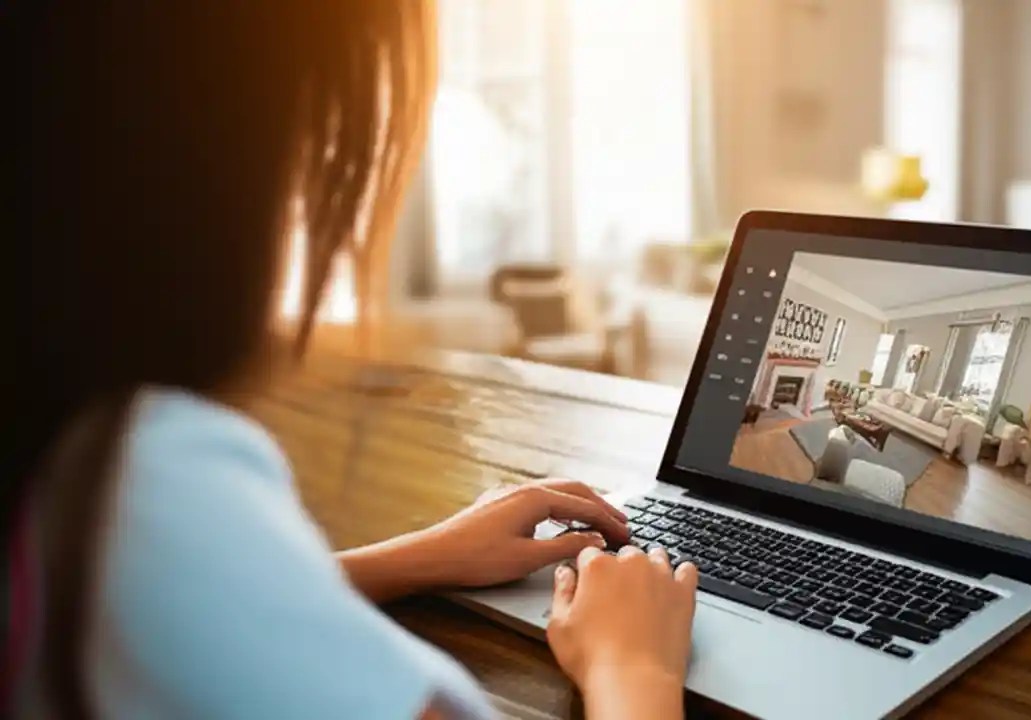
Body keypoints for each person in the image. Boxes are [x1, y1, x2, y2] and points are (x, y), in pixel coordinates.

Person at [9, 3, 698, 718]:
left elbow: (200, 602)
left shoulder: (78, 471)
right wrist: (634, 669)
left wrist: (423, 554)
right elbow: (176, 568)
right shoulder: (140, 483)